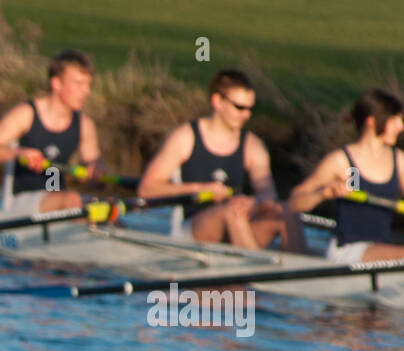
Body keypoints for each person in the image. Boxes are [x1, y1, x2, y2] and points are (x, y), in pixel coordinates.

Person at [137, 69, 301, 250]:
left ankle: (301, 275)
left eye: (250, 109)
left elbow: (268, 195)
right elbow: (147, 189)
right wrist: (202, 189)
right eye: (239, 107)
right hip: (191, 228)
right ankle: (251, 272)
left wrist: (255, 202)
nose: (246, 115)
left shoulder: (252, 145)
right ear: (217, 101)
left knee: (286, 211)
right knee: (232, 212)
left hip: (237, 222)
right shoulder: (185, 137)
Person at [0, 50, 106, 214]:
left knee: (106, 206)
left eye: (88, 84)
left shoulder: (85, 125)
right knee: (72, 200)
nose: (87, 91)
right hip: (19, 202)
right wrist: (18, 153)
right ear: (57, 84)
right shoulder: (26, 114)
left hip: (57, 197)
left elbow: (96, 169)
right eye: (79, 84)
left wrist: (95, 173)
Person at [288, 88, 404, 262]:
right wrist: (322, 194)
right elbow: (294, 203)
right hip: (348, 251)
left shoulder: (399, 160)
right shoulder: (341, 161)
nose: (401, 127)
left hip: (380, 249)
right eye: (395, 120)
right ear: (372, 122)